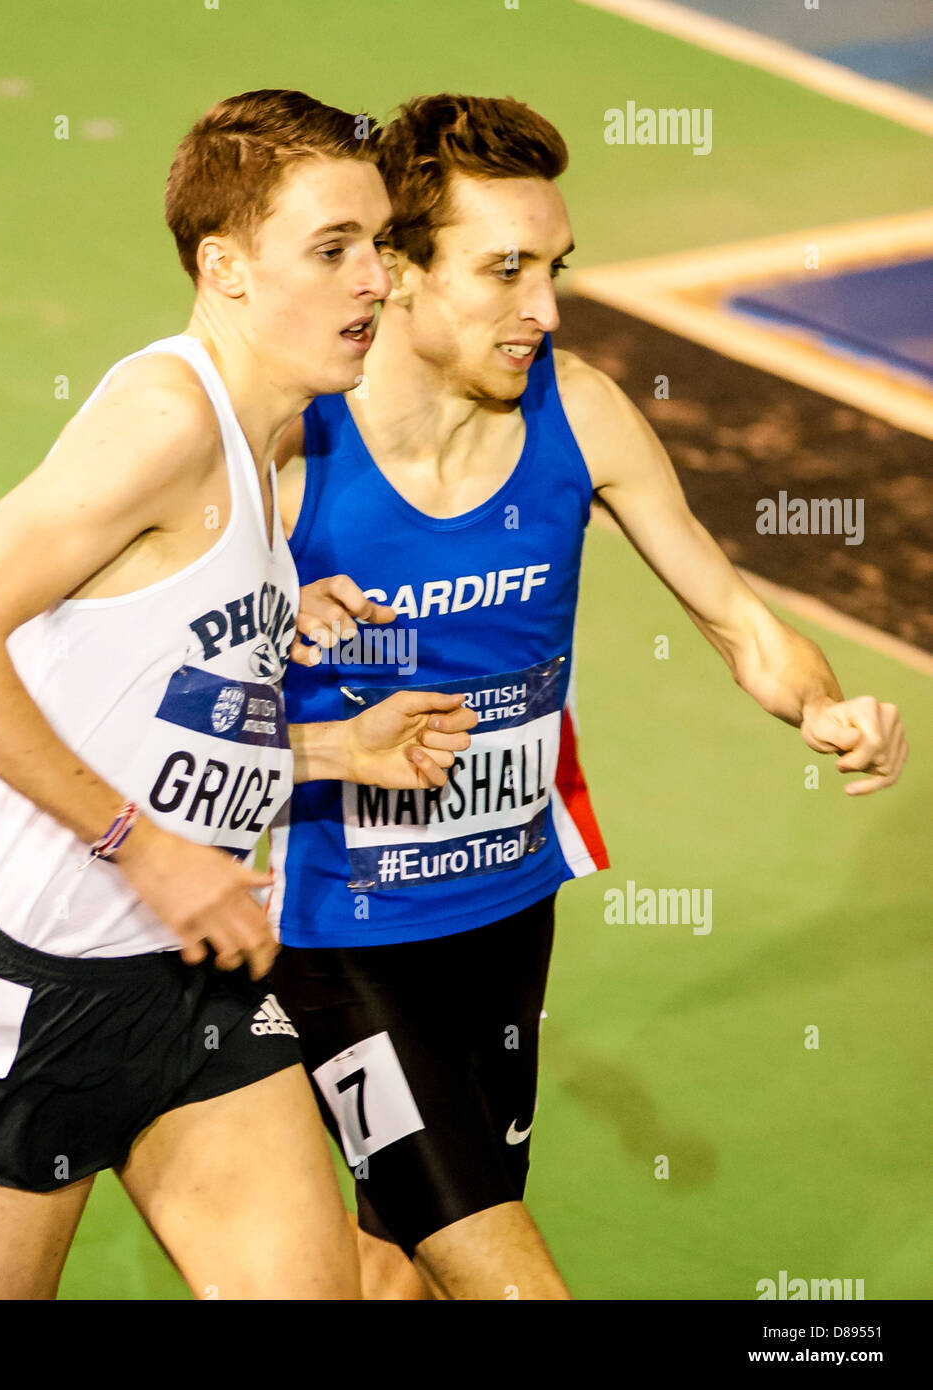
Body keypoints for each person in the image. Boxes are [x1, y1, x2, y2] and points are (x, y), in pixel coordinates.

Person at [269, 93, 909, 1301]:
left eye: (553, 268)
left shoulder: (582, 414)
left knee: (386, 1260)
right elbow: (142, 682)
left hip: (509, 913)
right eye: (503, 270)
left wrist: (820, 706)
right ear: (395, 272)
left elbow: (739, 622)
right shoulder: (288, 447)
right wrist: (314, 733)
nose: (545, 309)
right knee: (507, 1275)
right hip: (334, 927)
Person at [0, 88, 475, 1302]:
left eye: (380, 246)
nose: (376, 285)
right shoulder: (163, 421)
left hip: (196, 977)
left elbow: (147, 699)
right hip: (42, 988)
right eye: (331, 250)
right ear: (224, 266)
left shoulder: (273, 441)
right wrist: (144, 852)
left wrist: (332, 748)